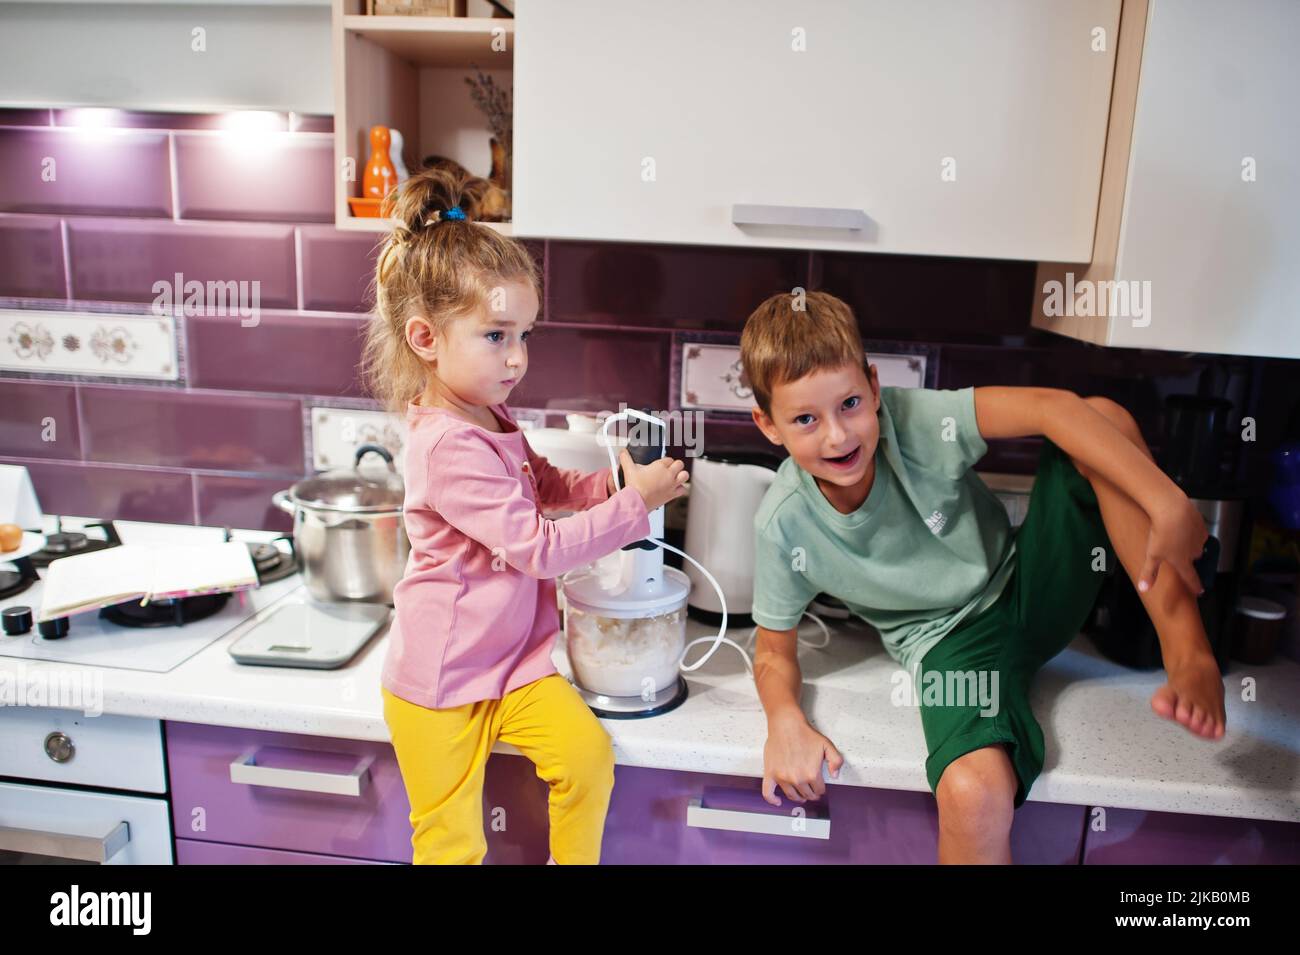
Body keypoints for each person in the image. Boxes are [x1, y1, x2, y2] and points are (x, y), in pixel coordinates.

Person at [741, 290, 1225, 864]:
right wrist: (785, 720)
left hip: (1031, 578)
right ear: (767, 425)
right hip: (950, 644)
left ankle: (1186, 648)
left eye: (849, 403)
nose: (838, 436)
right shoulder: (784, 524)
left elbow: (1055, 408)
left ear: (874, 385)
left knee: (1105, 415)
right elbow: (773, 653)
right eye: (805, 419)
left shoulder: (916, 421)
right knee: (972, 793)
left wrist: (1168, 503)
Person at [362, 167, 688, 864]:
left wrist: (608, 484)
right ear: (425, 337)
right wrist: (638, 506)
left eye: (525, 334)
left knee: (586, 759)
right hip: (442, 677)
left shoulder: (485, 411)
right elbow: (536, 547)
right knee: (452, 844)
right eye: (496, 335)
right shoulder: (446, 444)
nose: (517, 358)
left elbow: (540, 480)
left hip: (513, 663)